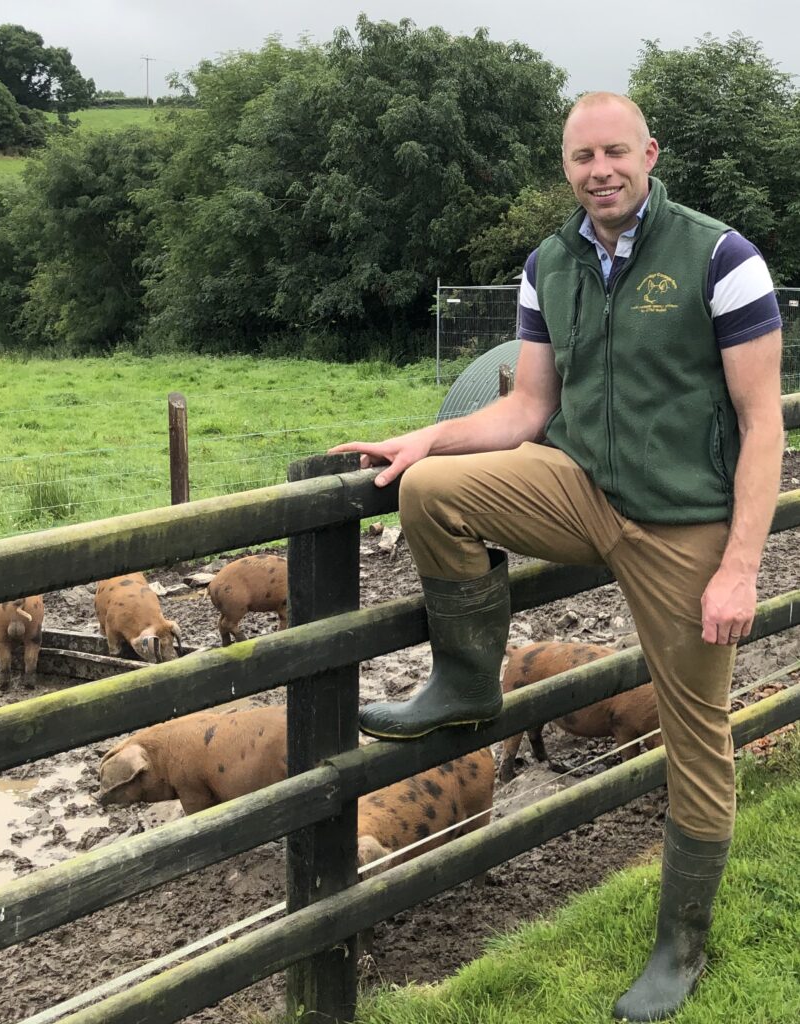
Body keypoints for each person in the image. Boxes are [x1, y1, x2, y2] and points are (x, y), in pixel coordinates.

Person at [330, 92, 784, 1021]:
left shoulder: (722, 257)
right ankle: (466, 682)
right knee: (429, 493)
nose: (600, 171)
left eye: (616, 152)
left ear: (649, 153)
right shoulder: (551, 263)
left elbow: (763, 421)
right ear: (567, 166)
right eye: (583, 158)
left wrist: (740, 565)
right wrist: (427, 438)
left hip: (685, 524)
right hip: (581, 489)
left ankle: (678, 948)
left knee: (697, 735)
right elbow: (527, 411)